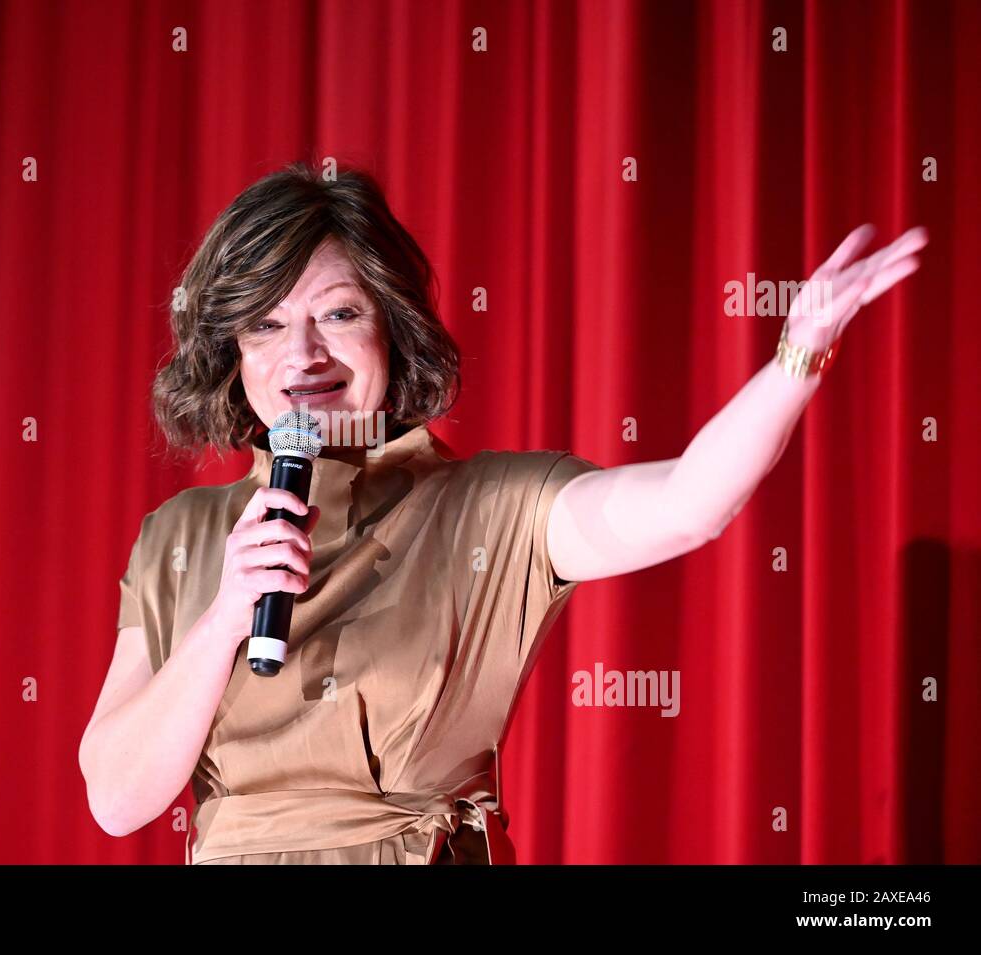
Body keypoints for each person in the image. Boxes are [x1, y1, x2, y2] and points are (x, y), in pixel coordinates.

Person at [78, 161, 926, 864]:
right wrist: (227, 612)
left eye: (338, 313)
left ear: (392, 328)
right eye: (265, 325)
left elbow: (686, 504)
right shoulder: (183, 536)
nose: (303, 355)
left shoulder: (486, 507)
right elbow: (118, 800)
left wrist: (798, 353)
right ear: (232, 353)